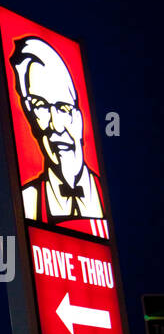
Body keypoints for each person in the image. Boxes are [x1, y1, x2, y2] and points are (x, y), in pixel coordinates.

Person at [9, 36, 108, 237]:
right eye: (40, 106)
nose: (55, 125)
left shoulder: (105, 198)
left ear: (79, 118)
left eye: (63, 108)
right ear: (30, 117)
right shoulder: (28, 202)